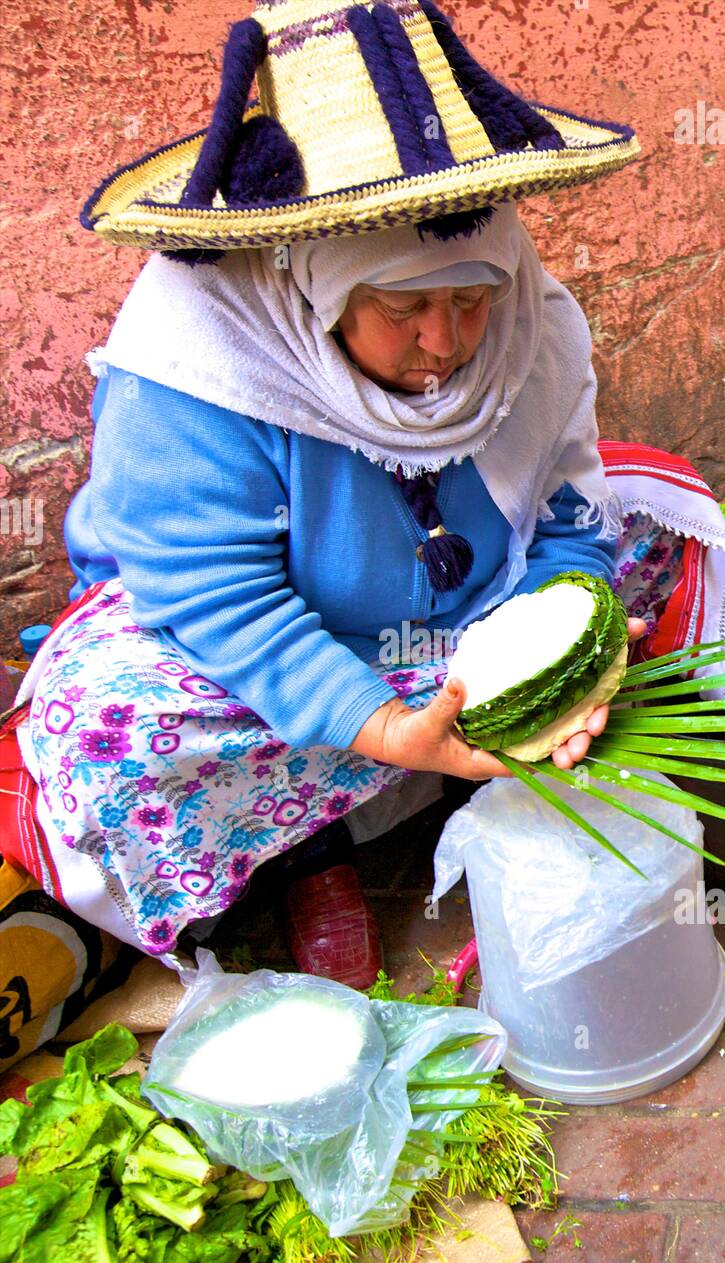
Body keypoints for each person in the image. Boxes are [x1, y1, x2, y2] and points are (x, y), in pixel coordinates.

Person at [2, 0, 649, 1002]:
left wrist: (566, 646)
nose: (447, 344)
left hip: (457, 626)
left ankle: (427, 778)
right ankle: (315, 844)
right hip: (274, 643)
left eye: (471, 298)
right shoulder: (195, 364)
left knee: (663, 521)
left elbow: (568, 509)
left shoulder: (531, 323)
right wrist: (385, 726)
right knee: (110, 718)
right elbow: (222, 598)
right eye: (401, 310)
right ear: (312, 284)